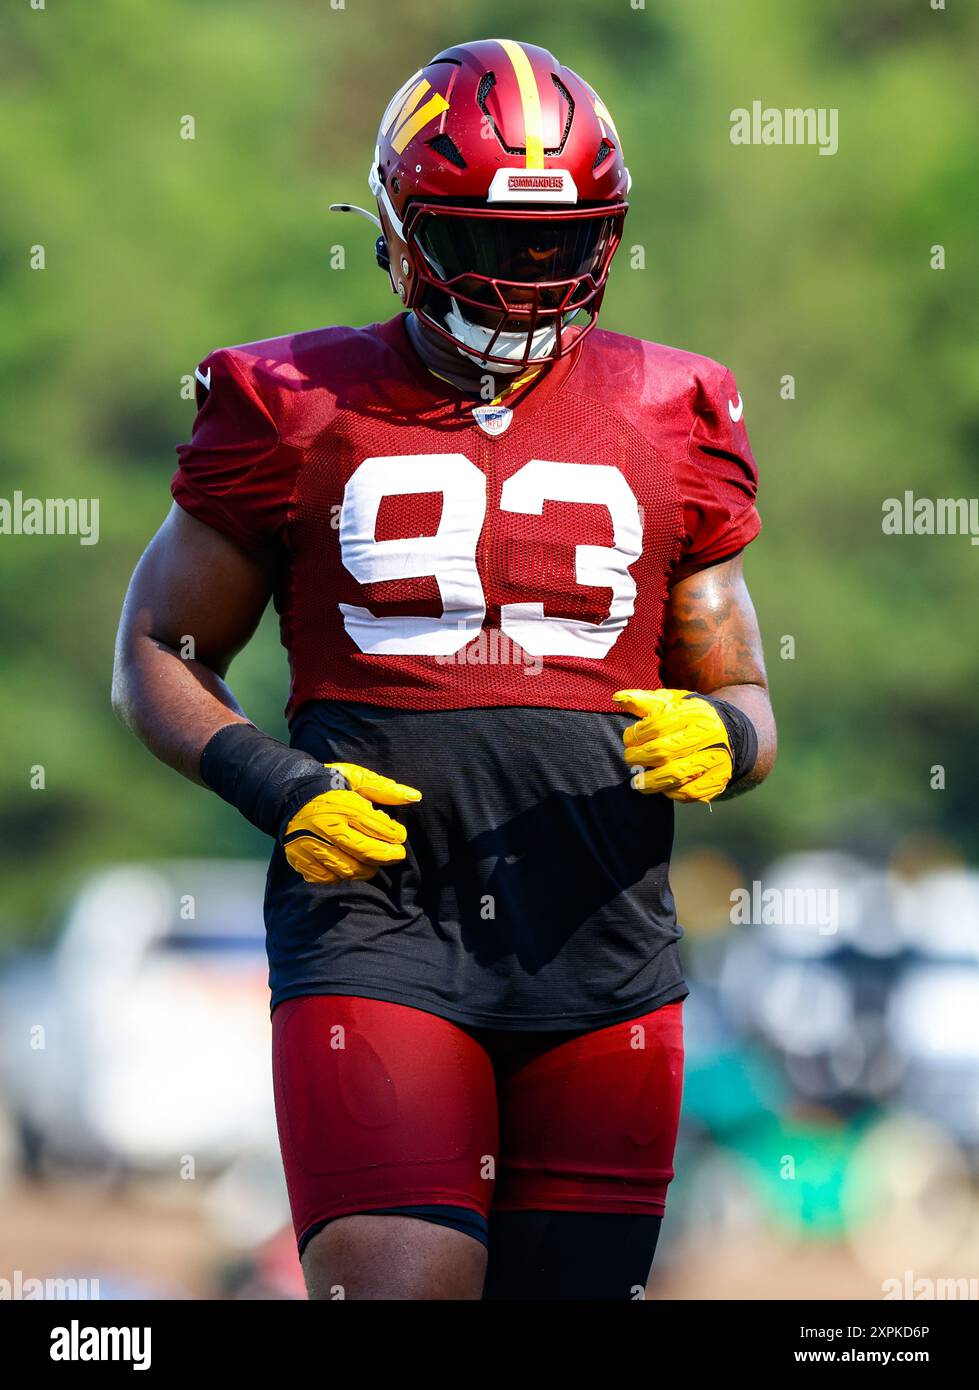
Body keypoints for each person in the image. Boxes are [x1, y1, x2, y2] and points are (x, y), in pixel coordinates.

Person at [112, 38, 776, 1300]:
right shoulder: (289, 396)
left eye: (557, 240)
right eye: (483, 238)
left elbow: (745, 693)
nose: (526, 278)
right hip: (378, 922)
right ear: (399, 228)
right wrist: (273, 781)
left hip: (602, 939)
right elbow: (158, 649)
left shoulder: (673, 405)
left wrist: (727, 740)